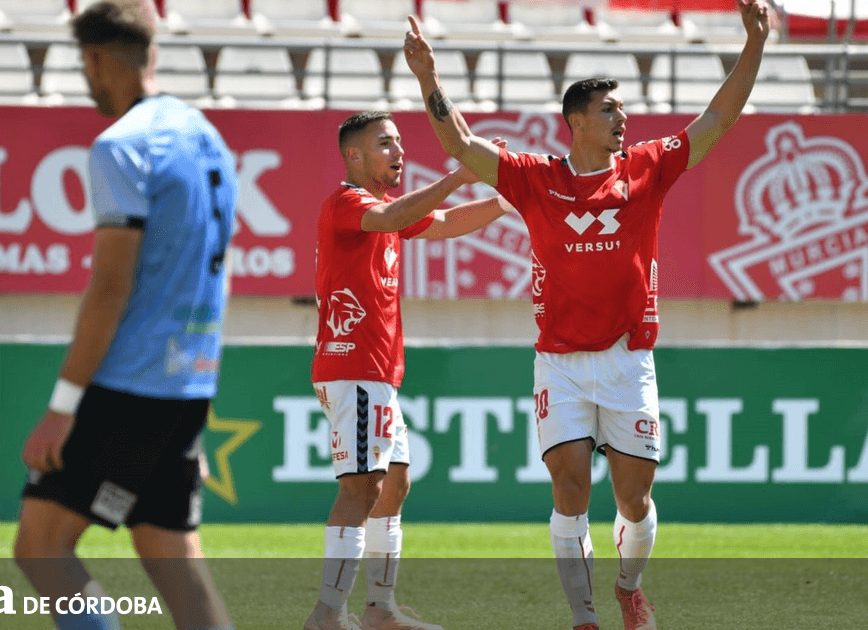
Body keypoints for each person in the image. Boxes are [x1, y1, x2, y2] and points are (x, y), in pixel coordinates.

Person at [404, 3, 770, 629]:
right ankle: (585, 617)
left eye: (622, 109)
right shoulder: (533, 178)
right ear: (576, 122)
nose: (622, 117)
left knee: (634, 500)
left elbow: (718, 117)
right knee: (570, 491)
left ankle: (629, 587)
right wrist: (427, 79)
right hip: (560, 364)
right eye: (609, 110)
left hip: (629, 361)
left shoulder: (647, 169)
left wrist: (755, 42)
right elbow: (460, 144)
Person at [13, 2, 238, 629]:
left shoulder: (121, 146)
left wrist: (62, 407)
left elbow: (111, 286)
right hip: (189, 382)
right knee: (169, 549)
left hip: (130, 387)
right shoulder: (207, 138)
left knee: (42, 546)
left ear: (95, 61)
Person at [305, 111, 512, 630]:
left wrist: (511, 200)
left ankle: (381, 610)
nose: (398, 151)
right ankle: (327, 614)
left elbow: (443, 223)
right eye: (384, 143)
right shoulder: (348, 203)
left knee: (393, 482)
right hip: (353, 367)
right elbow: (395, 219)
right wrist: (458, 177)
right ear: (354, 156)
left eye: (398, 142)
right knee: (361, 488)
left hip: (377, 372)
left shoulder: (383, 208)